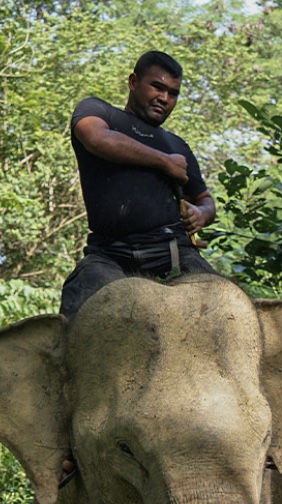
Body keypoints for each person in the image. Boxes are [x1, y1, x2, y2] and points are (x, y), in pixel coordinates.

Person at [60, 50, 218, 319]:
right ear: (133, 82)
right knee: (79, 321)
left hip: (173, 253)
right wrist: (164, 162)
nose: (164, 98)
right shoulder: (99, 111)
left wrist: (202, 213)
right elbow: (95, 138)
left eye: (173, 93)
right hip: (108, 256)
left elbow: (205, 200)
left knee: (226, 308)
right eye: (157, 87)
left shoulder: (177, 145)